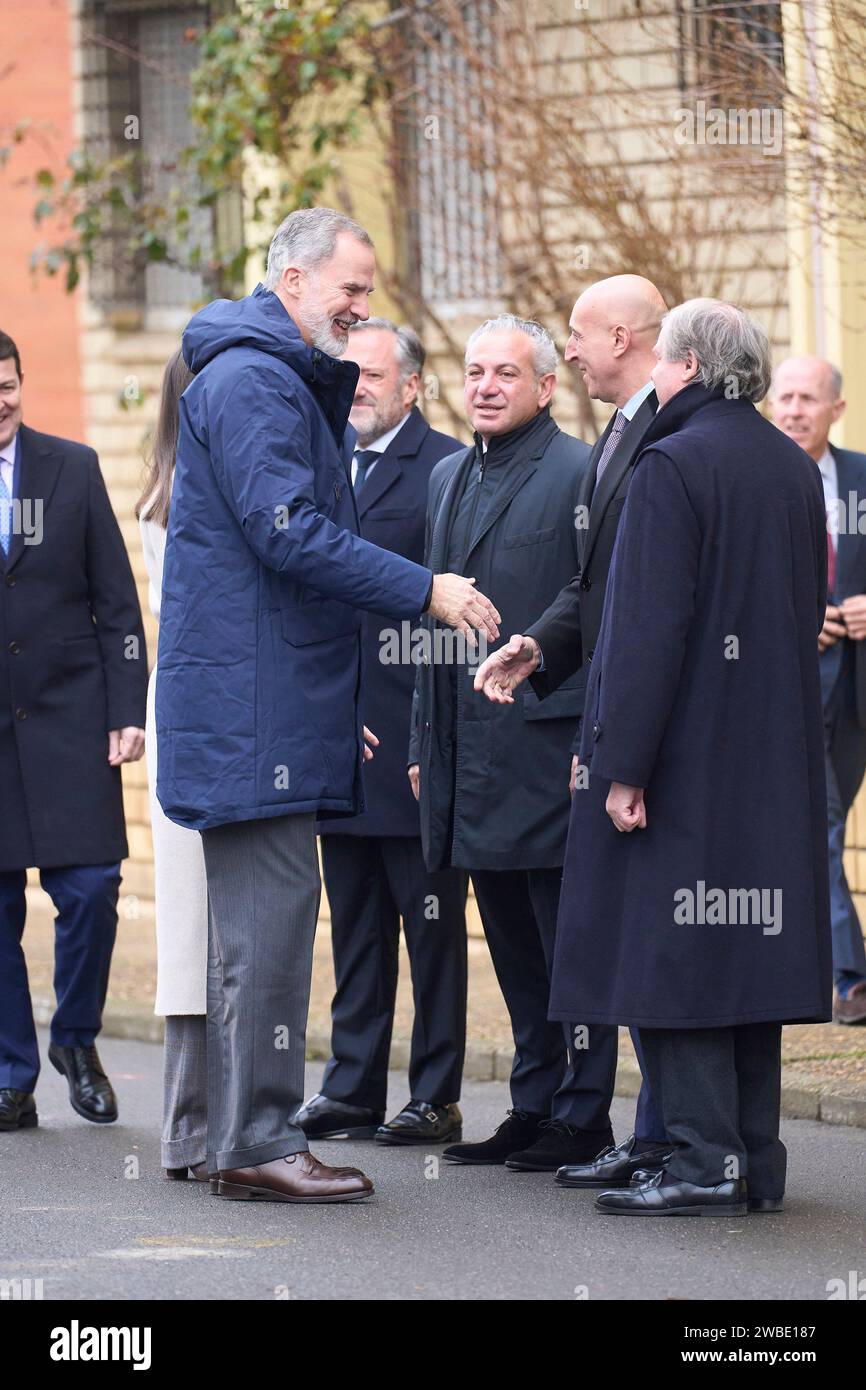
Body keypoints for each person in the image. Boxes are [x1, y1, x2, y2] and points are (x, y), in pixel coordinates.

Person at [156, 207, 499, 1204]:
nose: (362, 308)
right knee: (266, 937)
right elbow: (287, 533)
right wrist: (422, 586)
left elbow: (268, 581)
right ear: (294, 282)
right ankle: (259, 1141)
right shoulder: (258, 378)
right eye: (350, 289)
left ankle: (239, 1139)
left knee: (257, 937)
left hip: (262, 704)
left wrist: (319, 706)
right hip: (251, 714)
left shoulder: (259, 372)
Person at [535, 299, 829, 1216]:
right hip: (770, 756)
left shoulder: (672, 462)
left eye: (664, 362)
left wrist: (623, 765)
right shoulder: (790, 465)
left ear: (692, 367)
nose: (656, 378)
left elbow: (644, 635)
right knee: (744, 952)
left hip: (681, 759)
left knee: (672, 954)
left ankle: (704, 1162)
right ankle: (754, 1160)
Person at [473, 277, 672, 1190]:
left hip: (597, 746)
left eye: (576, 336)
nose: (573, 345)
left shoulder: (655, 440)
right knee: (528, 945)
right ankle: (559, 1107)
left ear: (619, 337)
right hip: (521, 737)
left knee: (590, 942)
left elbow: (640, 605)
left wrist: (608, 742)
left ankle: (621, 1123)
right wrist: (534, 646)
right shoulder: (613, 443)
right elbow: (590, 595)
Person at [408, 314, 615, 1173]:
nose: (486, 386)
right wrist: (425, 738)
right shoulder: (448, 475)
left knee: (567, 939)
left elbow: (595, 608)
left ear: (545, 386)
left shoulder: (582, 471)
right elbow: (430, 619)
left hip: (547, 750)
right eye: (477, 371)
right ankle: (532, 1105)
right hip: (466, 754)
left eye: (506, 373)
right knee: (509, 943)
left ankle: (583, 1113)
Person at [298, 319, 469, 1147]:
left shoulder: (445, 469)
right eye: (345, 373)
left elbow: (461, 612)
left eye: (370, 374)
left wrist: (425, 741)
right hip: (340, 743)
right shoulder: (319, 461)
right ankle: (351, 1087)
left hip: (413, 744)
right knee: (356, 929)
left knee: (432, 931)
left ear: (411, 386)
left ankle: (435, 1092)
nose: (355, 386)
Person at [0, 329, 148, 1132]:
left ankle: (77, 1043)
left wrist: (128, 708)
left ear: (21, 383)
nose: (0, 400)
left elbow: (117, 605)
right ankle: (9, 1077)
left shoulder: (75, 468)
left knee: (91, 890)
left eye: (7, 384)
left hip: (70, 720)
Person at [770, 356, 866, 1025]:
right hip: (790, 685)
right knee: (823, 825)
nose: (796, 410)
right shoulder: (758, 476)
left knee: (824, 826)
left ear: (836, 407)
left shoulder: (861, 478)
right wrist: (799, 620)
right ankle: (849, 975)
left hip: (858, 685)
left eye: (809, 399)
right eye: (786, 398)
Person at [137, 348, 211, 1182]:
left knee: (202, 931)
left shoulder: (168, 490)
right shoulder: (186, 498)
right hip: (200, 712)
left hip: (183, 708)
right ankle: (198, 1126)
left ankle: (200, 1126)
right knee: (201, 931)